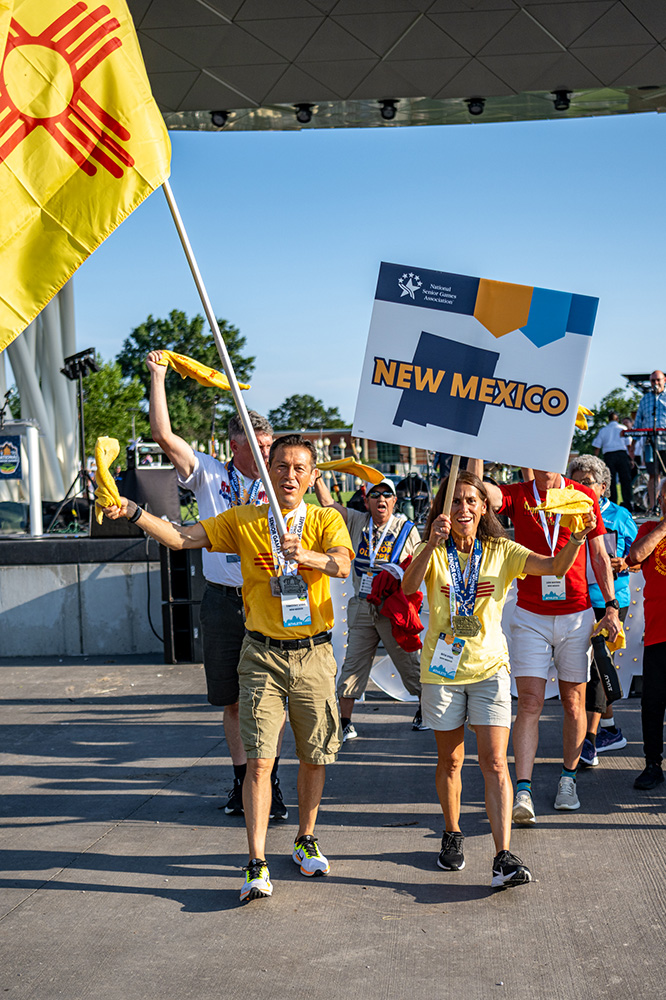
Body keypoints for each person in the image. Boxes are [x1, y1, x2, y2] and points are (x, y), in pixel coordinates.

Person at [102, 434, 353, 902]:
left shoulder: (324, 519)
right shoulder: (245, 519)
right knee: (260, 761)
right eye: (282, 466)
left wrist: (308, 556)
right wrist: (134, 512)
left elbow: (342, 564)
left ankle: (305, 838)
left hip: (315, 654)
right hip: (261, 654)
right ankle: (256, 862)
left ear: (313, 475)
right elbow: (181, 538)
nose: (291, 475)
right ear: (268, 470)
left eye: (300, 468)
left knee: (315, 755)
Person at [402, 471, 597, 888]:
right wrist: (431, 544)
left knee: (494, 762)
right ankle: (452, 834)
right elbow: (408, 586)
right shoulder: (431, 548)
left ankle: (502, 855)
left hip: (490, 669)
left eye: (471, 501)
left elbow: (553, 566)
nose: (463, 509)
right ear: (442, 509)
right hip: (443, 672)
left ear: (485, 507)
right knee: (451, 760)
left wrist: (577, 538)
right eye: (454, 502)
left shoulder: (501, 550)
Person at [146, 351, 288, 821]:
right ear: (235, 446)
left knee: (273, 696)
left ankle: (272, 781)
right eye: (258, 446)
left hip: (269, 599)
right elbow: (164, 436)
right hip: (224, 601)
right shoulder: (209, 473)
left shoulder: (281, 482)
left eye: (269, 445)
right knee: (230, 699)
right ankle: (240, 779)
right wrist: (158, 376)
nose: (267, 455)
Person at [468, 461, 620, 821]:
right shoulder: (518, 494)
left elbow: (598, 553)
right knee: (531, 703)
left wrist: (611, 606)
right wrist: (476, 451)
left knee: (573, 702)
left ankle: (568, 780)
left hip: (575, 615)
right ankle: (524, 790)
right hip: (531, 615)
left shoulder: (581, 495)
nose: (542, 463)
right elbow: (482, 490)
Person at [314, 474, 424, 739]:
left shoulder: (406, 528)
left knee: (407, 661)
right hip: (363, 605)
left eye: (386, 495)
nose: (381, 499)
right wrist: (316, 477)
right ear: (366, 501)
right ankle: (344, 721)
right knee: (353, 662)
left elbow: (421, 564)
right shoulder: (356, 521)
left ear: (395, 501)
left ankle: (427, 710)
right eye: (375, 495)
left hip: (391, 607)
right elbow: (329, 505)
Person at [568, 455, 637, 765]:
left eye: (587, 482)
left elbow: (640, 555)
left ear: (604, 487)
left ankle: (590, 741)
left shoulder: (621, 516)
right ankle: (609, 728)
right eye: (576, 481)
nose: (580, 487)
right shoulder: (566, 515)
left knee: (599, 670)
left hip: (611, 603)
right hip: (576, 600)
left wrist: (625, 563)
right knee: (584, 669)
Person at [626, 477, 666, 790]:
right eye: (665, 495)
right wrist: (664, 527)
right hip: (657, 634)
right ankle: (653, 765)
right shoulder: (649, 530)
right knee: (652, 703)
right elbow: (635, 557)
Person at [634, 370, 666, 509]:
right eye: (653, 381)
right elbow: (638, 422)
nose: (656, 383)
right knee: (653, 475)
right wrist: (632, 444)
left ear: (664, 380)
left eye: (658, 380)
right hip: (650, 443)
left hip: (665, 441)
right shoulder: (645, 399)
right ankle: (654, 506)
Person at [592, 412, 633, 510]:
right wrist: (631, 458)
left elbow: (597, 446)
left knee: (610, 481)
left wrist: (595, 460)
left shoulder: (603, 430)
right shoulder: (622, 428)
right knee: (625, 480)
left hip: (609, 455)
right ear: (617, 419)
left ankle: (612, 503)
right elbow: (629, 444)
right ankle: (627, 503)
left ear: (608, 419)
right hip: (622, 454)